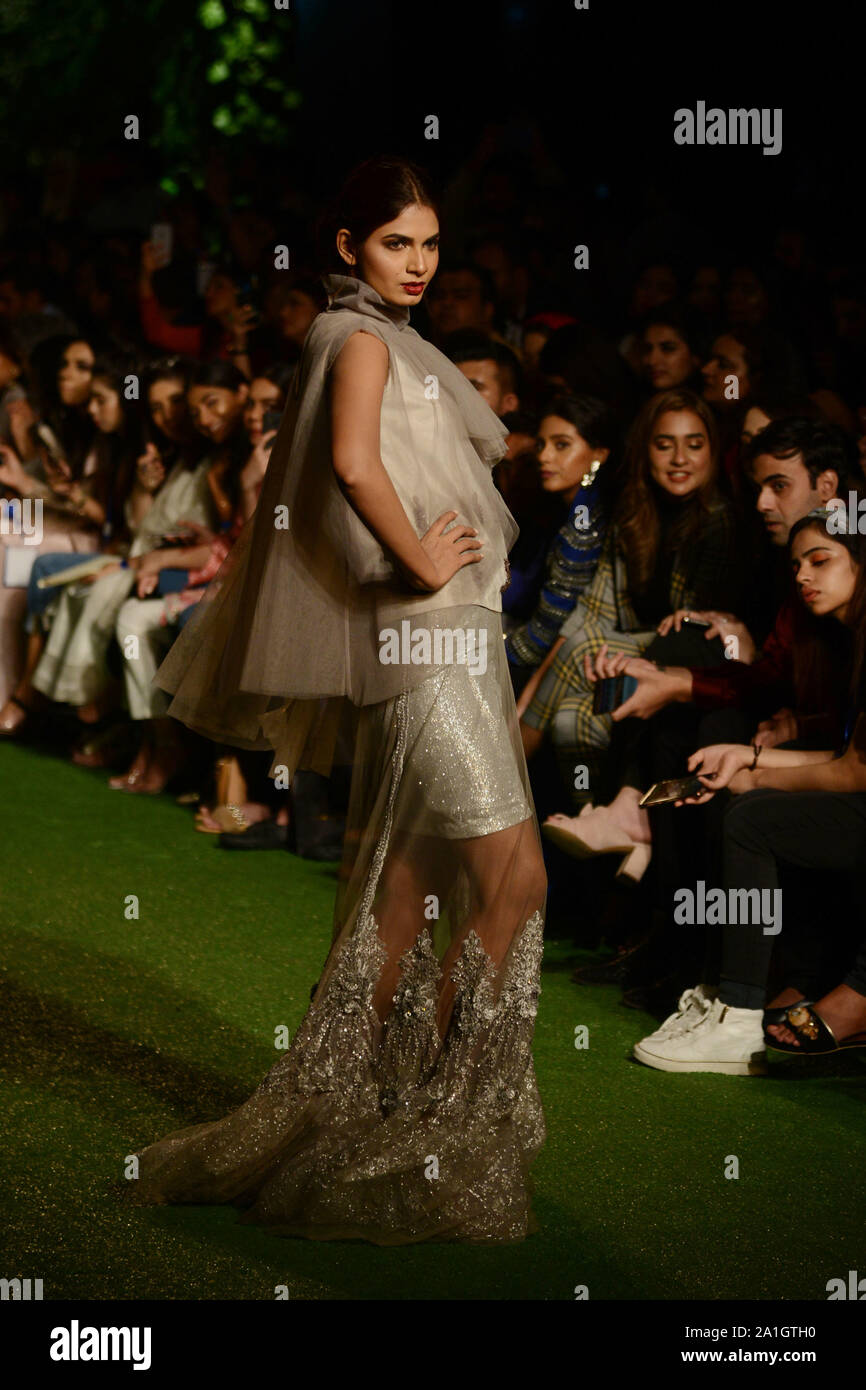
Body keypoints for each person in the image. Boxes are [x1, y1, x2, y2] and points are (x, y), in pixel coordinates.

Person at [124, 155, 547, 1245]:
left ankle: (364, 1106)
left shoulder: (387, 341)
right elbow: (352, 469)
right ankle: (423, 1117)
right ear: (350, 245)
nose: (418, 263)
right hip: (423, 632)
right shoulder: (355, 339)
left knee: (402, 894)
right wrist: (412, 560)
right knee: (513, 875)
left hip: (456, 632)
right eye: (397, 241)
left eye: (431, 244)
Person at [631, 507, 866, 1074]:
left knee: (753, 816)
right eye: (797, 565)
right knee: (751, 803)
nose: (804, 576)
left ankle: (738, 1013)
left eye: (821, 560)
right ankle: (723, 995)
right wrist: (748, 756)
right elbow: (845, 758)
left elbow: (856, 773)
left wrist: (758, 774)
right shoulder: (845, 638)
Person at [518, 388, 737, 815]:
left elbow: (693, 630)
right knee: (570, 717)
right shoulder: (632, 510)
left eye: (694, 445)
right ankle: (597, 823)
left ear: (712, 450)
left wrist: (614, 651)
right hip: (624, 650)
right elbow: (592, 609)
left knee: (582, 646)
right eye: (664, 445)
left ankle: (506, 770)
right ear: (645, 449)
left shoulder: (719, 522)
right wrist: (527, 698)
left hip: (693, 660)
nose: (680, 459)